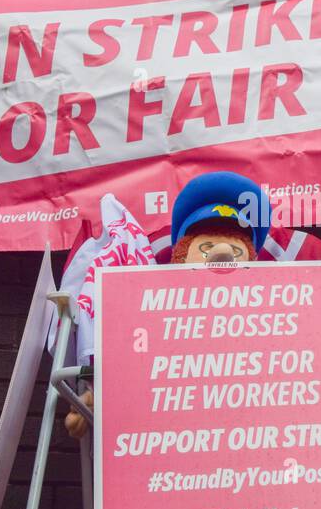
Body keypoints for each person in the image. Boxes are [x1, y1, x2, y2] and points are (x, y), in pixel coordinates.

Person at [62, 171, 270, 438]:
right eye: (205, 247)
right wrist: (96, 398)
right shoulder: (156, 317)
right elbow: (133, 365)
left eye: (238, 251)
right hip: (173, 445)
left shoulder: (267, 321)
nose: (223, 254)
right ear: (181, 257)